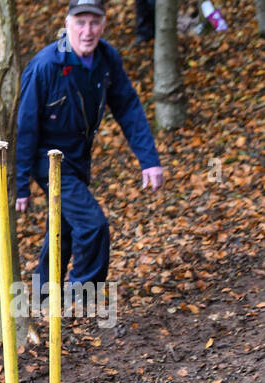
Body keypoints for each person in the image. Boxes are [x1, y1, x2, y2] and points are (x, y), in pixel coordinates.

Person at [15, 0, 163, 295]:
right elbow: (26, 126)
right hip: (49, 160)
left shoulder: (107, 59)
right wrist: (20, 184)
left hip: (79, 156)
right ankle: (83, 295)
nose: (87, 31)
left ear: (104, 25)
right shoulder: (46, 65)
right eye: (80, 23)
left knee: (64, 227)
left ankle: (44, 292)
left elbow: (128, 108)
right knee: (93, 225)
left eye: (94, 23)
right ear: (67, 24)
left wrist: (149, 160)